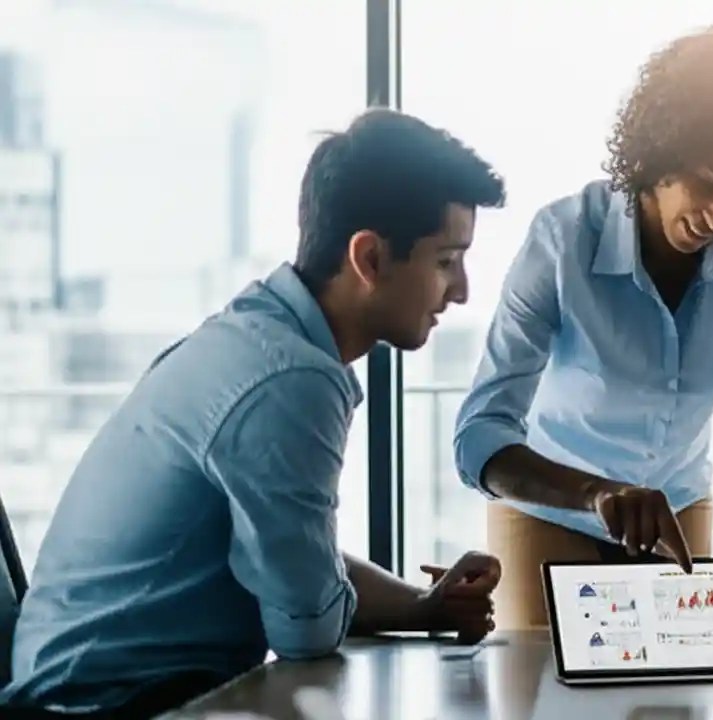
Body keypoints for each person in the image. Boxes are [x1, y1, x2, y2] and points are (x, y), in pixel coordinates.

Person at [1, 109, 507, 717]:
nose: (462, 291)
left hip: (104, 690)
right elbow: (307, 627)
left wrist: (425, 606)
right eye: (446, 261)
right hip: (108, 706)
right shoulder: (291, 379)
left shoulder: (258, 339)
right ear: (369, 259)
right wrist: (381, 602)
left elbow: (288, 561)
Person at [453, 24, 713, 631]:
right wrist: (595, 493)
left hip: (678, 507)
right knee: (549, 696)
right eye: (708, 184)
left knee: (675, 698)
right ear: (661, 150)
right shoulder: (563, 238)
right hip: (551, 508)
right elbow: (478, 437)